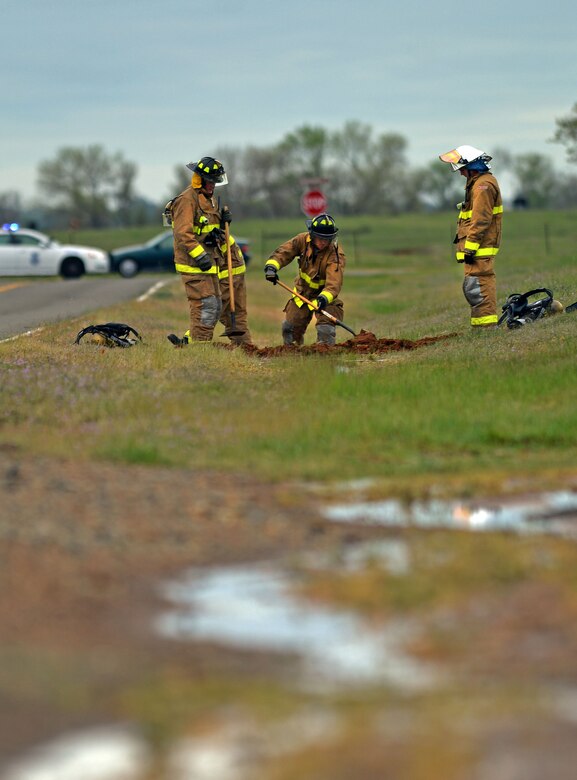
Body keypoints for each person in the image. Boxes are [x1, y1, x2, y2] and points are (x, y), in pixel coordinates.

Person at [166, 156, 252, 345]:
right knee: (208, 306)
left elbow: (204, 230)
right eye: (210, 181)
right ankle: (199, 348)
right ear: (200, 179)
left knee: (215, 305)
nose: (213, 185)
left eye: (216, 181)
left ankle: (191, 343)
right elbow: (183, 234)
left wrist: (220, 225)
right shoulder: (186, 200)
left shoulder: (208, 198)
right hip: (195, 265)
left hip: (211, 263)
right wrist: (200, 255)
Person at [439, 145, 503, 328]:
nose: (460, 174)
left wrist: (470, 247)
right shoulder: (477, 184)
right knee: (474, 287)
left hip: (479, 248)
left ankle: (487, 328)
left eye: (462, 169)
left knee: (479, 286)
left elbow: (481, 219)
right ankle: (482, 328)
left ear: (472, 166)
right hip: (477, 248)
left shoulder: (483, 186)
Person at [264, 213, 346, 345]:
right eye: (320, 238)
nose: (323, 242)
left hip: (325, 297)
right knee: (289, 330)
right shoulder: (302, 240)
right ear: (312, 235)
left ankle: (325, 355)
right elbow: (284, 252)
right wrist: (271, 268)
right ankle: (293, 357)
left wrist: (324, 298)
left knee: (325, 329)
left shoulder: (336, 255)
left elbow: (334, 284)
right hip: (302, 294)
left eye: (327, 238)